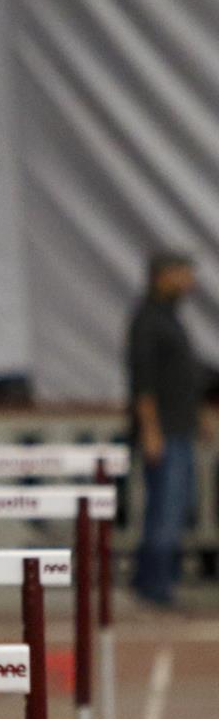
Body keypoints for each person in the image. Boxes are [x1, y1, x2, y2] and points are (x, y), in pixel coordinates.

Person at [126, 250, 204, 607]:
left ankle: (160, 582)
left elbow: (182, 374)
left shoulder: (171, 318)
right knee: (164, 510)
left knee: (178, 507)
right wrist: (151, 430)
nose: (189, 282)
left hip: (180, 425)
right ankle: (154, 585)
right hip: (164, 429)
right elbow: (142, 381)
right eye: (183, 274)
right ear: (163, 276)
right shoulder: (147, 320)